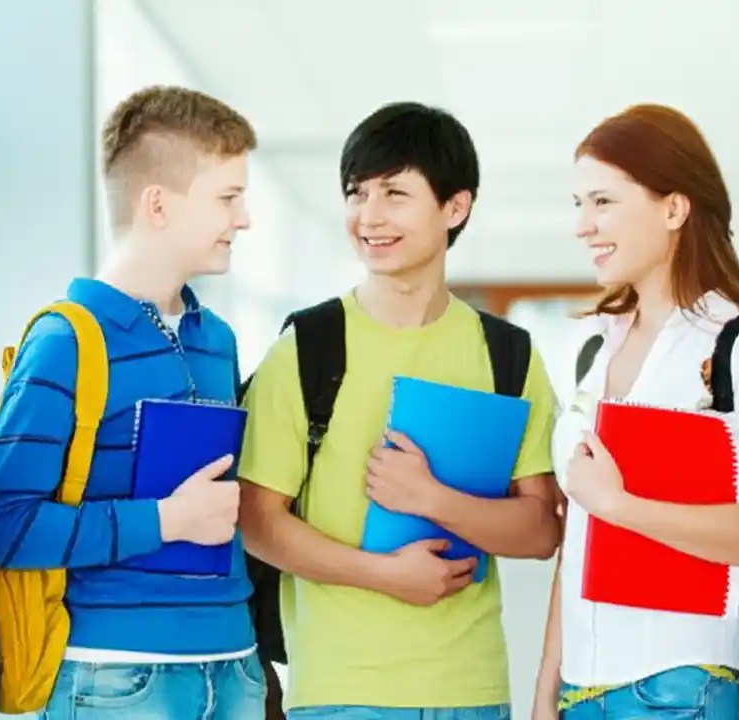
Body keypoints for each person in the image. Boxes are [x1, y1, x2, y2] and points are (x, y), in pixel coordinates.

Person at [238, 101, 561, 719]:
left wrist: (430, 498)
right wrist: (384, 574)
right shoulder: (307, 347)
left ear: (455, 207)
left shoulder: (507, 354)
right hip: (343, 690)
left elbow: (541, 528)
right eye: (356, 193)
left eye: (395, 192)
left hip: (473, 689)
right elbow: (257, 521)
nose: (369, 215)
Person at [0, 85, 265, 718]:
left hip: (235, 668)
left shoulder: (218, 340)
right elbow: (2, 527)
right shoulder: (64, 341)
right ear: (158, 204)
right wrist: (166, 520)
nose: (243, 219)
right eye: (227, 198)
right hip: (115, 678)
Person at [535, 104, 739, 720]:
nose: (583, 226)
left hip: (684, 682)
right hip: (581, 685)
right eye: (578, 204)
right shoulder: (590, 348)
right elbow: (580, 531)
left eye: (602, 202)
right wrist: (547, 689)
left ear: (674, 208)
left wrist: (622, 506)